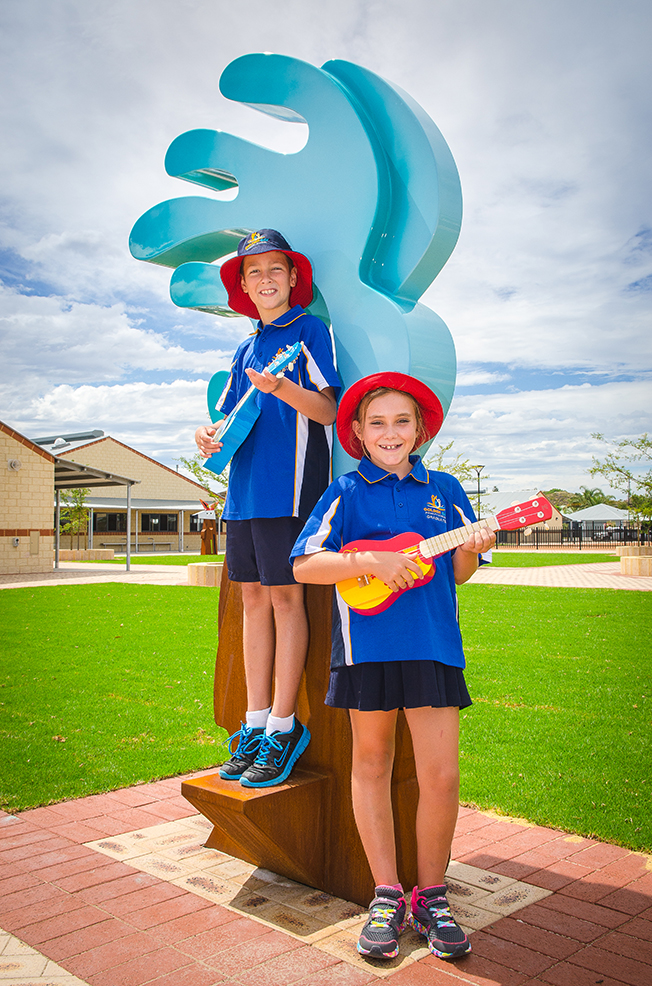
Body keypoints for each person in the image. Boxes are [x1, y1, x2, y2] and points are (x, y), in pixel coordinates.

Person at [291, 372, 495, 961]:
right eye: (376, 422)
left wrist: (470, 548)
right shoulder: (347, 493)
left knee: (441, 776)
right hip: (366, 648)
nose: (389, 432)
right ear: (356, 431)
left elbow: (458, 573)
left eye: (401, 421)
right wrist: (374, 562)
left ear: (421, 429)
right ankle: (386, 895)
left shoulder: (447, 489)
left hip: (433, 644)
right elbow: (305, 565)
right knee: (372, 764)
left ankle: (432, 894)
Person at [195, 230, 340, 788]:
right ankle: (253, 724)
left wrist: (283, 389)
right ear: (244, 287)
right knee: (252, 601)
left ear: (291, 277)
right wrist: (209, 435)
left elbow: (329, 410)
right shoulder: (242, 349)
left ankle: (284, 727)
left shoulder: (310, 331)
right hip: (245, 492)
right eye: (253, 272)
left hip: (293, 490)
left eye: (274, 268)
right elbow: (230, 419)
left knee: (285, 599)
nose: (265, 279)